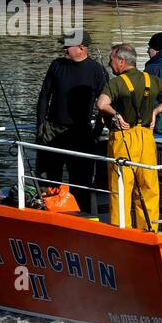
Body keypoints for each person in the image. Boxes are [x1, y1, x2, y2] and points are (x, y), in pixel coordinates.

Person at [95, 43, 162, 231]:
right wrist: (156, 111)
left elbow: (101, 104)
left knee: (121, 187)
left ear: (122, 61)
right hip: (146, 138)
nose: (111, 65)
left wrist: (116, 115)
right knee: (148, 186)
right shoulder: (151, 79)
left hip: (123, 139)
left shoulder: (116, 83)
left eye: (112, 61)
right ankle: (149, 230)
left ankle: (121, 229)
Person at [34, 29, 108, 213]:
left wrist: (96, 133)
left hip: (80, 133)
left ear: (82, 48)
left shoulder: (96, 71)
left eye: (68, 46)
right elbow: (44, 96)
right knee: (49, 179)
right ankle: (47, 212)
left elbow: (104, 105)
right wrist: (40, 125)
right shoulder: (56, 65)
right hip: (52, 130)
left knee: (81, 181)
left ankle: (83, 215)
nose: (64, 49)